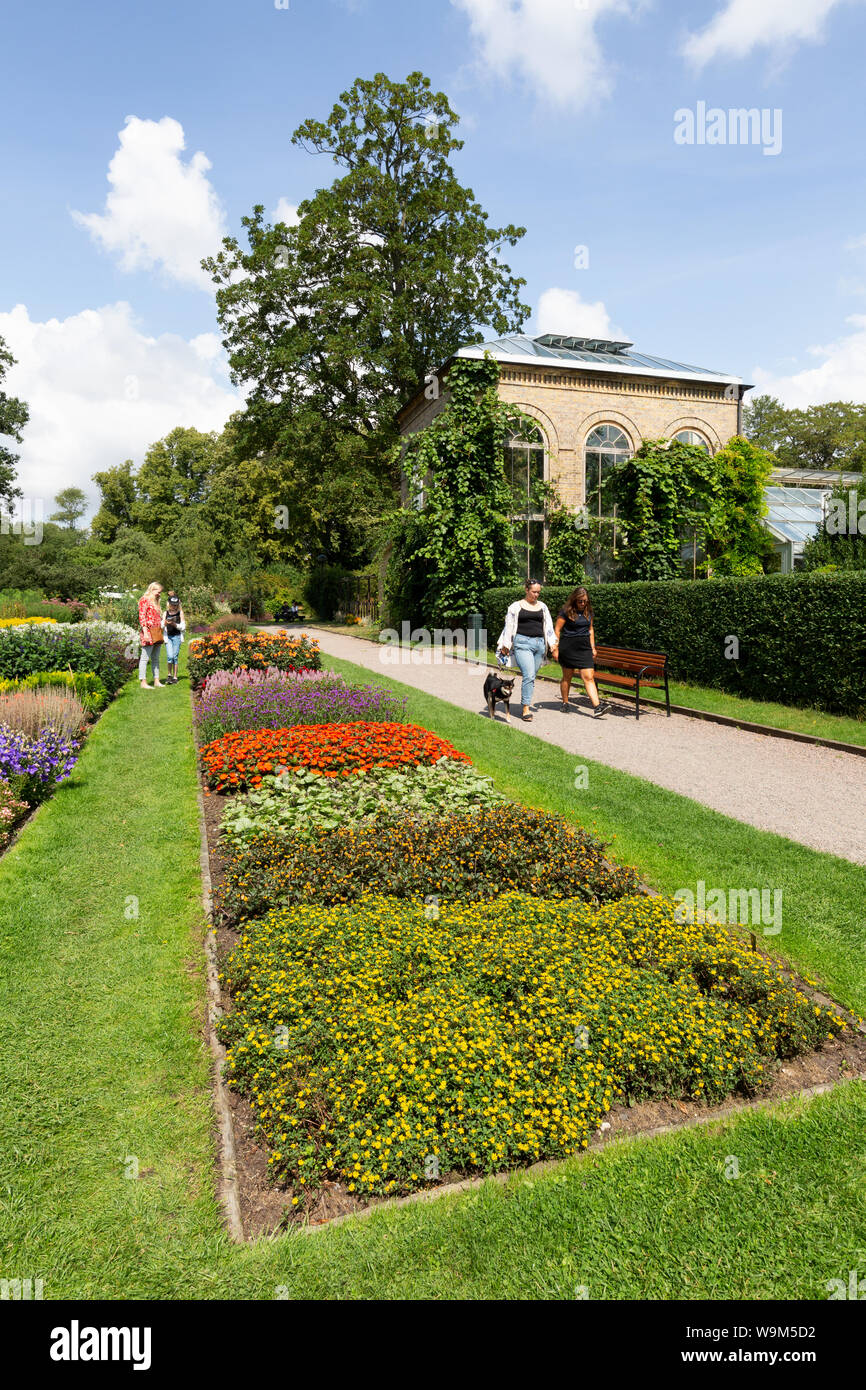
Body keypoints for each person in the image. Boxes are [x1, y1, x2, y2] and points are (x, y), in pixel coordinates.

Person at [497, 579, 557, 721]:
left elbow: (548, 625)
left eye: (538, 592)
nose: (536, 595)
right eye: (533, 592)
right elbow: (509, 626)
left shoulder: (543, 606)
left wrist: (552, 643)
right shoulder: (515, 606)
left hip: (539, 645)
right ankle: (526, 708)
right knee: (529, 675)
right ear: (526, 590)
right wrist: (506, 645)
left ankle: (525, 699)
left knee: (531, 676)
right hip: (522, 643)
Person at [552, 585, 610, 718]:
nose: (583, 603)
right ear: (574, 600)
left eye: (585, 601)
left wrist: (593, 647)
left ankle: (597, 707)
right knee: (567, 677)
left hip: (584, 648)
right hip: (568, 647)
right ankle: (565, 703)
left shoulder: (588, 612)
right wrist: (555, 648)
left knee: (589, 677)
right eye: (580, 601)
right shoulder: (565, 612)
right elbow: (557, 630)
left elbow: (590, 630)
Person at [137, 582, 164, 690]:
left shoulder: (156, 601)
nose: (159, 594)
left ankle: (156, 680)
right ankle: (143, 682)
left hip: (157, 632)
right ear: (152, 589)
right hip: (148, 632)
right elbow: (142, 616)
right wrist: (146, 632)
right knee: (145, 658)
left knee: (156, 658)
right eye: (158, 592)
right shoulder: (144, 599)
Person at [162, 590, 186, 684]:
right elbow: (161, 626)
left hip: (177, 637)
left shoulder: (180, 613)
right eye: (172, 604)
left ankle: (175, 677)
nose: (174, 606)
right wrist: (165, 623)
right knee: (169, 656)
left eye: (176, 605)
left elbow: (183, 627)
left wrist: (174, 624)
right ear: (169, 604)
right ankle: (169, 675)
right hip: (168, 637)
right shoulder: (165, 613)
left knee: (175, 657)